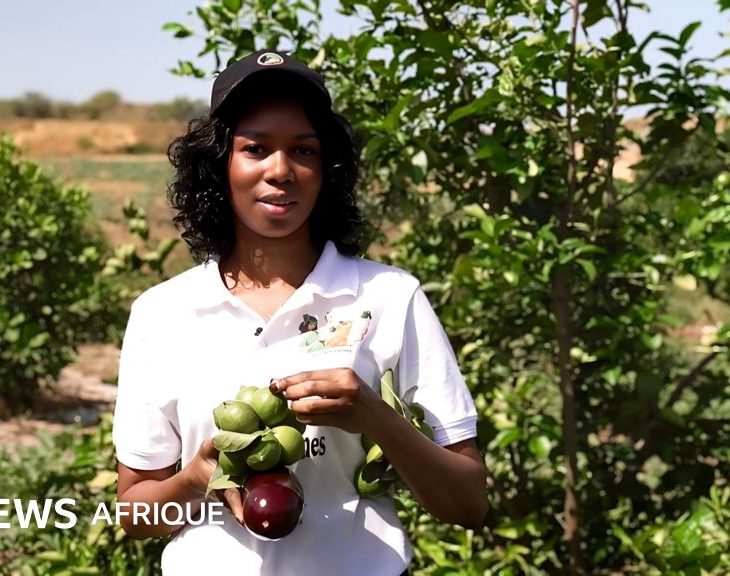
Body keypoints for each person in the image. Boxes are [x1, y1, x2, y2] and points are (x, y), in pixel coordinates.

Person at [113, 49, 487, 575]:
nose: (281, 170)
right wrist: (197, 477)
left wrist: (375, 417)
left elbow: (468, 503)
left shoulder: (387, 296)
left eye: (303, 150)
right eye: (255, 148)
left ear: (325, 168)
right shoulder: (163, 313)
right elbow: (135, 515)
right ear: (220, 165)